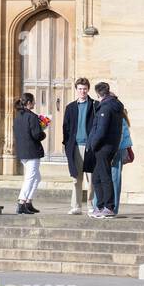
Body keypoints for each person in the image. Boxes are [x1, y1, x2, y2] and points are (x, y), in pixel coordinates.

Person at [84, 81, 123, 218]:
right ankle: (99, 206)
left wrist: (92, 145)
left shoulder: (106, 108)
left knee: (104, 176)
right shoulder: (112, 105)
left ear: (98, 94)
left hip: (103, 147)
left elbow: (101, 131)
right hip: (107, 146)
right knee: (96, 178)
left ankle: (108, 206)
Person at [61, 77, 98, 215]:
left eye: (85, 89)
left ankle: (91, 205)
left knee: (91, 179)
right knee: (76, 178)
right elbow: (66, 127)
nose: (82, 91)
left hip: (90, 147)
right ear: (76, 90)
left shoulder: (95, 105)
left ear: (88, 89)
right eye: (80, 89)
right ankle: (76, 206)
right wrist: (66, 143)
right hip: (75, 146)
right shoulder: (70, 107)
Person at [12, 93, 45, 215]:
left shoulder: (17, 117)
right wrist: (43, 132)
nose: (34, 104)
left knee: (37, 177)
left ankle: (28, 202)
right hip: (32, 151)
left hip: (22, 151)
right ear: (29, 103)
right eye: (33, 101)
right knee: (30, 178)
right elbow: (37, 135)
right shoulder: (32, 117)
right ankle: (21, 202)